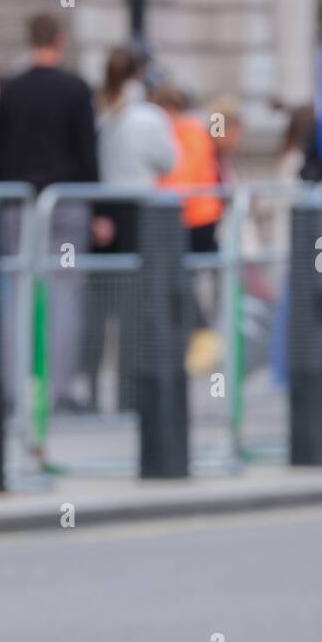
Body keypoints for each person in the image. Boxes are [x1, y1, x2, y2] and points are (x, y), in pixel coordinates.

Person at [0, 11, 99, 411]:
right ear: (60, 39)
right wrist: (98, 206)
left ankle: (15, 387)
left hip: (20, 202)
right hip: (67, 201)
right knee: (65, 294)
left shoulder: (11, 89)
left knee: (19, 290)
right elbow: (87, 154)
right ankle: (60, 389)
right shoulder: (76, 90)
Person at [83, 46, 177, 411]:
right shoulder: (148, 117)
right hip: (139, 211)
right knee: (135, 305)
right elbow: (168, 160)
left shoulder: (101, 114)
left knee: (100, 307)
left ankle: (90, 388)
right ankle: (128, 392)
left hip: (104, 213)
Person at [153, 84, 224, 374]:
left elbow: (179, 178)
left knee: (181, 279)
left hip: (190, 216)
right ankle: (197, 338)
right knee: (185, 279)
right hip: (202, 214)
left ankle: (201, 337)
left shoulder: (183, 133)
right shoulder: (198, 131)